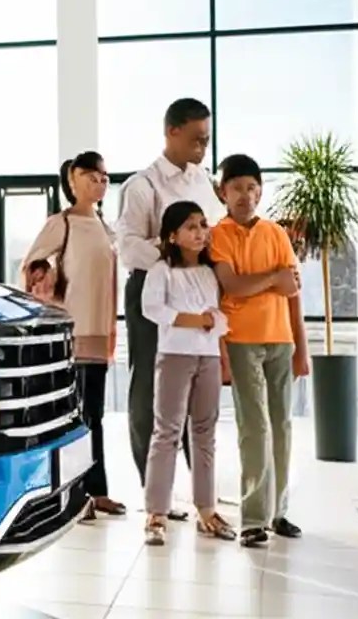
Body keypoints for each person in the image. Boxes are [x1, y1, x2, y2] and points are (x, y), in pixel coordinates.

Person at [114, 98, 225, 521]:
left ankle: (203, 496)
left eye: (207, 140)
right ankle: (156, 496)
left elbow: (215, 234)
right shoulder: (142, 185)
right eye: (197, 139)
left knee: (199, 392)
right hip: (153, 288)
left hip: (199, 289)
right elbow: (128, 246)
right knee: (151, 388)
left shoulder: (204, 183)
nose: (203, 147)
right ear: (171, 132)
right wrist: (173, 253)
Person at [208, 154, 309, 547]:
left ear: (260, 192)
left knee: (282, 425)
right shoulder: (218, 235)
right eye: (236, 188)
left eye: (252, 188)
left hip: (281, 339)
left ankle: (279, 512)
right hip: (241, 340)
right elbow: (232, 286)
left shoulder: (276, 233)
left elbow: (293, 292)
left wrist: (302, 348)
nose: (245, 195)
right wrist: (273, 279)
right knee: (255, 428)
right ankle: (253, 519)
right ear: (223, 193)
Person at [23, 151, 123, 519]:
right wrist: (44, 274)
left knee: (94, 414)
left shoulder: (106, 228)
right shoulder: (61, 223)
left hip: (100, 333)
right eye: (91, 176)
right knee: (74, 418)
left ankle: (97, 492)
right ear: (72, 180)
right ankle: (74, 495)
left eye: (104, 178)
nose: (99, 183)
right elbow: (32, 266)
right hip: (72, 332)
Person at [140, 200, 237, 545]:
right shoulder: (161, 270)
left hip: (207, 357)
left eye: (203, 225)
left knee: (205, 433)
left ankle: (207, 510)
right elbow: (152, 309)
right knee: (167, 431)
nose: (200, 233)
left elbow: (219, 316)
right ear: (173, 235)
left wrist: (221, 352)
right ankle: (156, 513)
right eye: (191, 227)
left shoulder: (211, 272)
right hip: (174, 356)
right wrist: (197, 319)